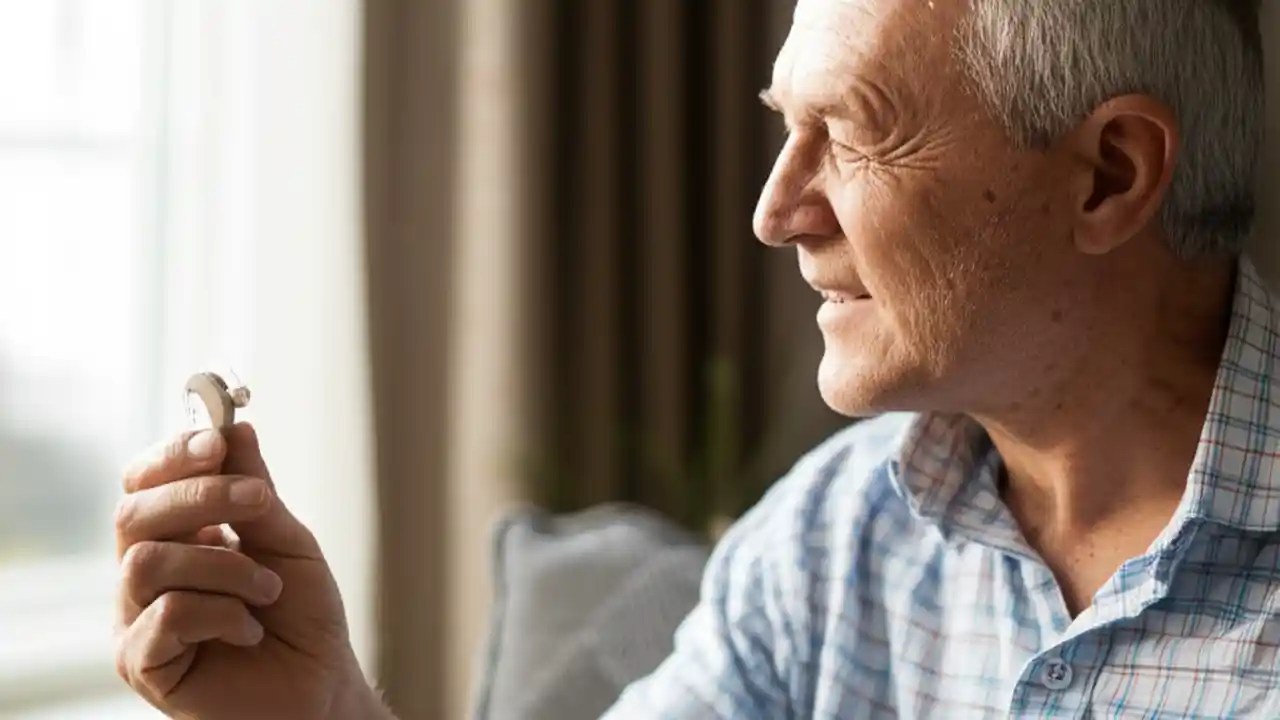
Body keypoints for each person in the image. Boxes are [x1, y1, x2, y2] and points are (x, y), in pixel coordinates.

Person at [113, 0, 1273, 717]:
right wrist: (318, 712)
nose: (776, 212)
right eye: (783, 128)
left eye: (855, 133)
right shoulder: (831, 538)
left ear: (1109, 175)